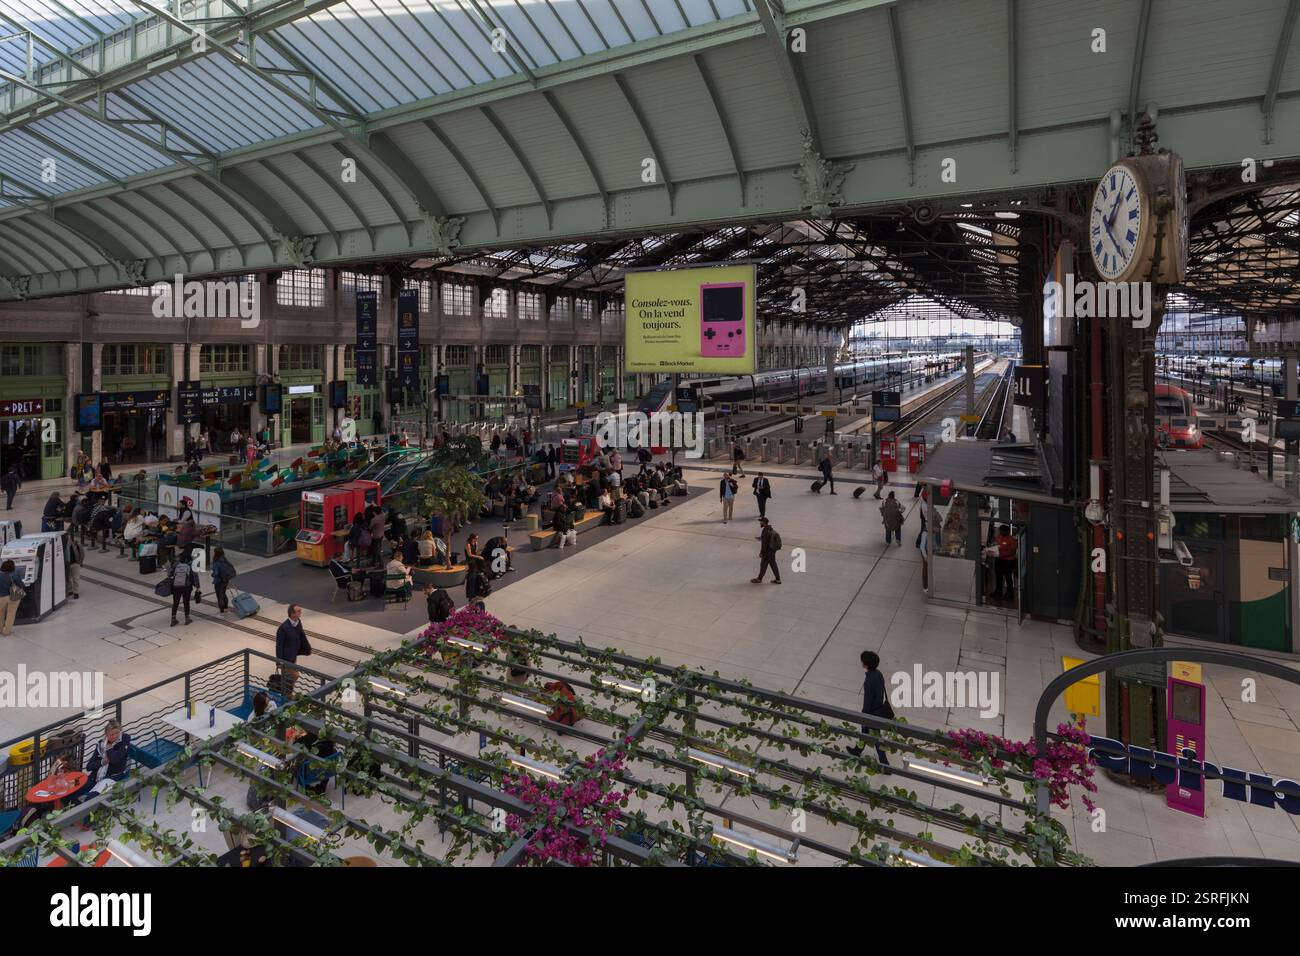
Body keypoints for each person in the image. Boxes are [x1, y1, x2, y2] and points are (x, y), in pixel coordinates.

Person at [846, 651, 892, 769]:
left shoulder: (869, 681)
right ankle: (857, 750)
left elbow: (867, 701)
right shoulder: (878, 674)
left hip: (871, 714)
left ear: (866, 665)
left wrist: (864, 716)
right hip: (879, 709)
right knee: (865, 733)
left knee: (875, 737)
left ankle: (884, 764)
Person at [68, 720, 132, 804]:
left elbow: (115, 760)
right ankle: (76, 810)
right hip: (95, 777)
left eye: (117, 733)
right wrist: (102, 762)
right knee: (70, 790)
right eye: (112, 734)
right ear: (106, 735)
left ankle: (83, 812)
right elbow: (89, 766)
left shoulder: (124, 739)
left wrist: (109, 748)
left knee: (90, 799)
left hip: (111, 777)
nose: (115, 736)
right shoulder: (101, 745)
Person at [274, 604, 311, 694]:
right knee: (294, 675)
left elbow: (301, 636)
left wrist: (307, 649)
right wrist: (279, 661)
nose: (300, 612)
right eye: (298, 611)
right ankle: (287, 693)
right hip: (286, 658)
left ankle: (287, 693)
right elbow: (279, 645)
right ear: (292, 614)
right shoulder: (283, 628)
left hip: (293, 655)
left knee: (289, 677)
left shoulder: (298, 622)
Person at [167, 551, 198, 626]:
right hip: (187, 587)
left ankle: (173, 619)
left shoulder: (175, 564)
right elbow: (194, 577)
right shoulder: (190, 565)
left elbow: (170, 574)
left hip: (176, 586)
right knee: (186, 602)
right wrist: (197, 587)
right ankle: (187, 618)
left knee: (175, 602)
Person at [752, 517, 781, 584]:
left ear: (764, 522)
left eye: (761, 522)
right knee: (773, 565)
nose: (760, 523)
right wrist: (761, 538)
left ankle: (759, 579)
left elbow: (764, 544)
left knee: (763, 565)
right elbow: (769, 538)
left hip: (767, 552)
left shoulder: (765, 531)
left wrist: (761, 553)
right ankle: (778, 579)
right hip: (772, 550)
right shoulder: (769, 528)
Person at [0, 559, 23, 636]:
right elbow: (21, 585)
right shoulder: (15, 574)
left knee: (1, 613)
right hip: (13, 596)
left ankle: (0, 629)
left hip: (1, 597)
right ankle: (6, 631)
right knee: (11, 614)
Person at [994, 524, 1018, 599]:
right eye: (1000, 531)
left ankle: (1009, 594)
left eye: (1003, 531)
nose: (1001, 533)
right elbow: (995, 547)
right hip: (999, 560)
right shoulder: (998, 538)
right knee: (999, 577)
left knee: (1008, 577)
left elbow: (1013, 551)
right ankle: (998, 592)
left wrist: (1003, 555)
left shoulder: (1012, 540)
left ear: (1007, 532)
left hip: (1008, 561)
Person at [211, 547, 236, 613]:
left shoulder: (216, 562)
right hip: (225, 580)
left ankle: (222, 610)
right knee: (223, 593)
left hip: (219, 581)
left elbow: (216, 573)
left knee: (219, 596)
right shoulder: (224, 559)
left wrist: (212, 574)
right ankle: (226, 607)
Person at [65, 533, 84, 600]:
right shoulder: (63, 546)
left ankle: (76, 592)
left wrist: (80, 562)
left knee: (76, 578)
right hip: (67, 564)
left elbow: (82, 553)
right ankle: (70, 590)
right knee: (68, 578)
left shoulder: (76, 545)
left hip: (75, 563)